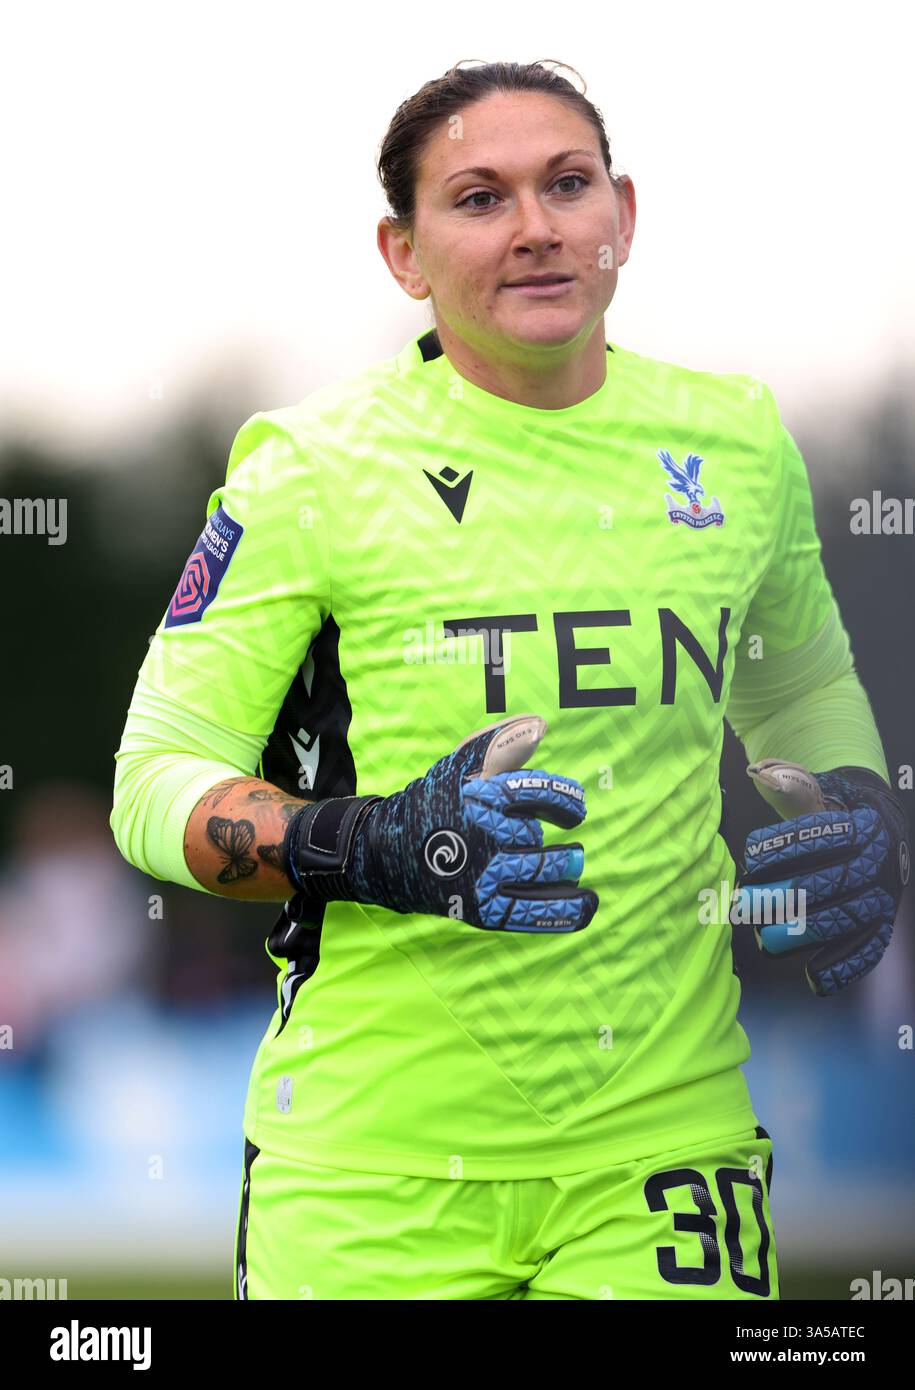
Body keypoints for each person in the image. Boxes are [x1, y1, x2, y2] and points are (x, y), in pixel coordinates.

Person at [109, 59, 909, 1301]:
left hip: (667, 1136)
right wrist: (370, 842)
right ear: (403, 254)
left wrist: (860, 805)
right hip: (371, 1164)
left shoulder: (738, 440)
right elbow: (151, 784)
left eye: (568, 185)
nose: (537, 228)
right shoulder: (310, 466)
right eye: (479, 198)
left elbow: (798, 690)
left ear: (624, 215)